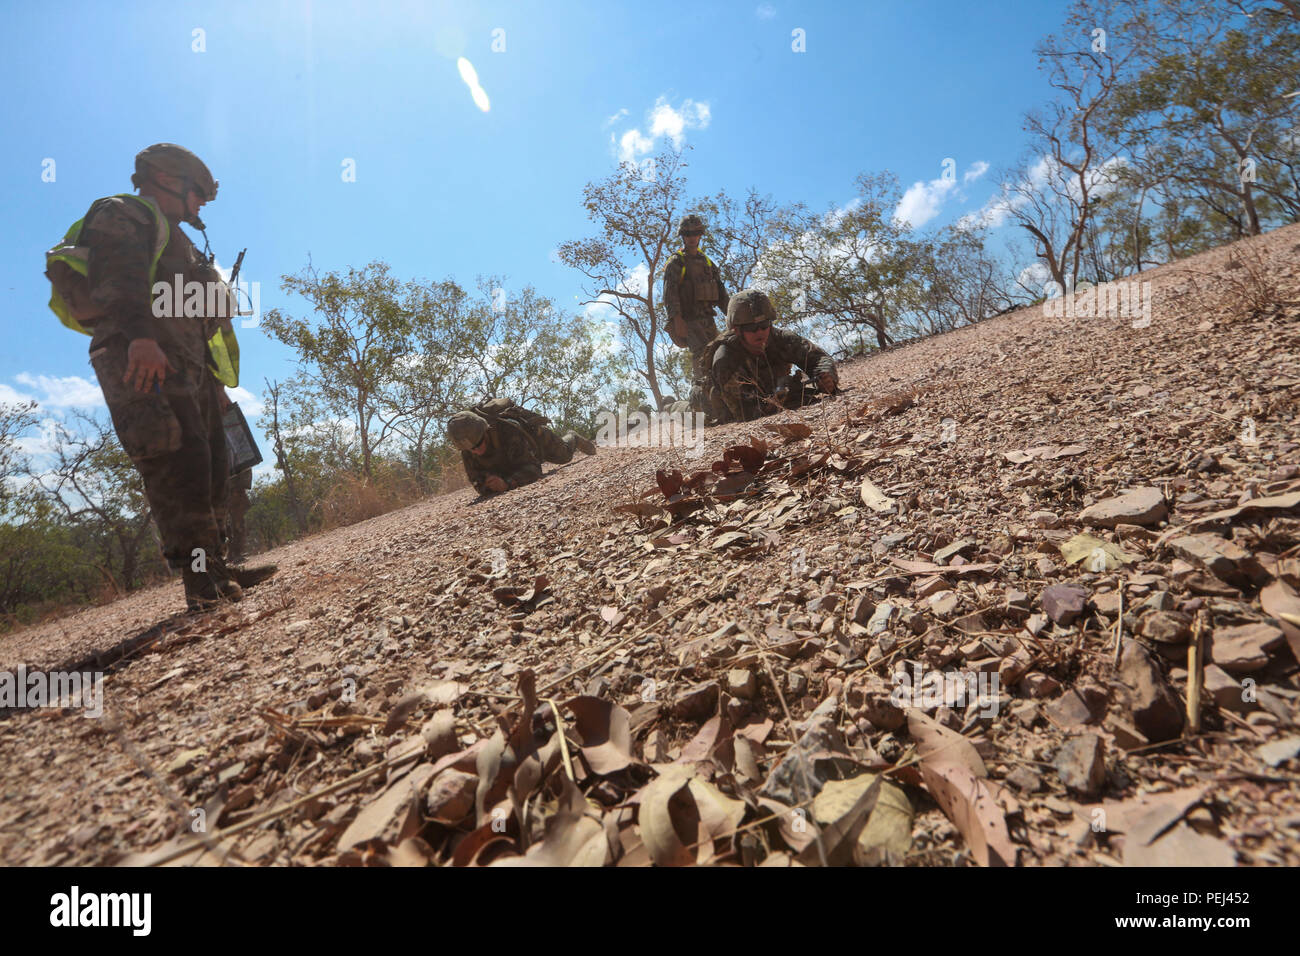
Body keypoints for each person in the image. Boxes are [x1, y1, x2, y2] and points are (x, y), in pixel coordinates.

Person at [69, 144, 275, 610]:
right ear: (166, 179)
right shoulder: (121, 213)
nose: (201, 203)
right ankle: (201, 585)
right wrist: (141, 339)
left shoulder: (178, 238)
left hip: (188, 368)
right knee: (176, 467)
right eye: (197, 192)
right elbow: (118, 284)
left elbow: (195, 317)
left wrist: (216, 384)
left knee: (213, 465)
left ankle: (217, 568)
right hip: (144, 361)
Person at [711, 289, 839, 422]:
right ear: (737, 330)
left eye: (764, 325)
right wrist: (771, 404)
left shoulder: (781, 338)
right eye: (751, 328)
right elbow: (742, 412)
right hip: (713, 406)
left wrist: (826, 377)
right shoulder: (725, 358)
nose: (759, 332)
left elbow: (818, 358)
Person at [446, 399, 596, 496]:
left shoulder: (507, 432)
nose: (476, 451)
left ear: (486, 430)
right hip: (511, 464)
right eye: (472, 449)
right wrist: (490, 484)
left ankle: (573, 437)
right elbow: (477, 483)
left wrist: (508, 483)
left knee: (565, 455)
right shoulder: (468, 446)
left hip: (539, 442)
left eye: (479, 444)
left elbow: (533, 469)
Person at [662, 214, 729, 414]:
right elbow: (670, 293)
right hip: (689, 321)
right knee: (702, 358)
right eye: (688, 233)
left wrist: (734, 317)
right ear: (683, 236)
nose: (692, 237)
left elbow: (721, 294)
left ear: (701, 235)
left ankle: (716, 401)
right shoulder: (676, 262)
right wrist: (677, 320)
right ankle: (699, 406)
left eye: (696, 233)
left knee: (719, 357)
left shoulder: (708, 263)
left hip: (708, 319)